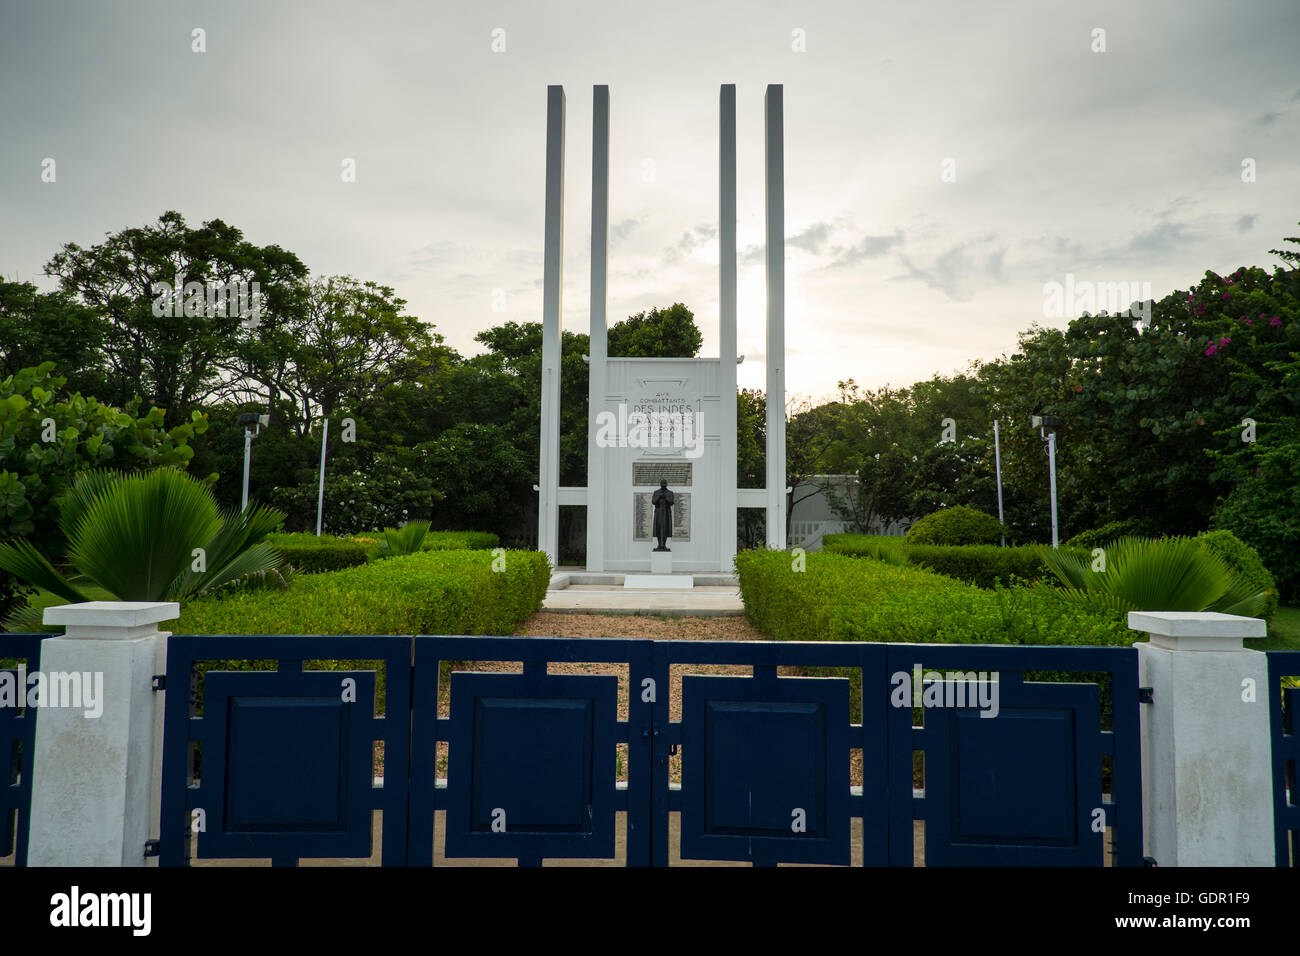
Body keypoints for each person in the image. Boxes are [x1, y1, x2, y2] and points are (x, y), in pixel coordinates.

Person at [651, 480, 674, 551]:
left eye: (665, 483)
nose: (663, 484)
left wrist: (666, 497)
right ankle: (659, 544)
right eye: (662, 483)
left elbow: (671, 502)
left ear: (667, 484)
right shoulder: (656, 492)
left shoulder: (670, 493)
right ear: (660, 484)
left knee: (666, 528)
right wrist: (659, 496)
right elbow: (653, 501)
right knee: (658, 528)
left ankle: (663, 545)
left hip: (666, 512)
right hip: (658, 512)